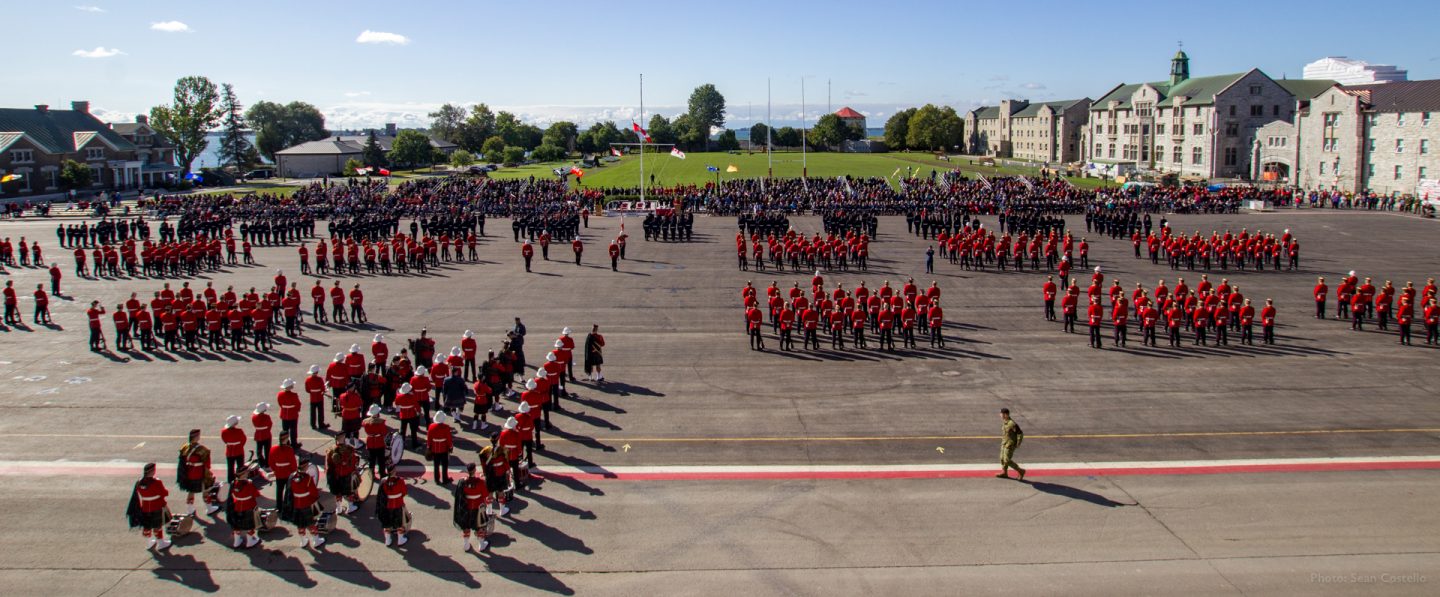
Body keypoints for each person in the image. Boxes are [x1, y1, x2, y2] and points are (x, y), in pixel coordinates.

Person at [126, 463, 171, 551]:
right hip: (156, 505)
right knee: (157, 525)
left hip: (145, 506)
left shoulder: (139, 482)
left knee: (147, 525)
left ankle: (150, 542)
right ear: (152, 471)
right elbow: (164, 493)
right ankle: (161, 542)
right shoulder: (157, 482)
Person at [282, 460, 324, 549]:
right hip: (306, 503)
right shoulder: (307, 477)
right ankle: (316, 540)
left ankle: (303, 540)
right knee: (311, 523)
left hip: (296, 503)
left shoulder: (292, 476)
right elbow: (313, 492)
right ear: (305, 467)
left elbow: (289, 491)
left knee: (300, 524)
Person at [176, 429, 219, 516]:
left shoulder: (185, 447)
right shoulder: (202, 449)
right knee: (205, 491)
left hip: (189, 473)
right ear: (196, 437)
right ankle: (209, 508)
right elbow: (207, 464)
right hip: (200, 473)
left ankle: (190, 509)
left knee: (191, 491)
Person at [452, 463, 492, 552]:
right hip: (478, 507)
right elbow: (485, 495)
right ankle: (481, 545)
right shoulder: (480, 482)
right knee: (480, 526)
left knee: (466, 526)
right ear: (474, 470)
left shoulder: (462, 482)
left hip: (466, 508)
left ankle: (466, 545)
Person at [225, 469, 262, 549]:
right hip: (248, 506)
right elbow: (256, 494)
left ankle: (236, 542)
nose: (247, 473)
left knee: (237, 525)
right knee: (250, 526)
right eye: (246, 473)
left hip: (237, 506)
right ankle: (250, 542)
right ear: (242, 475)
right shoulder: (248, 484)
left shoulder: (234, 483)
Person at [325, 440, 361, 516]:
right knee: (348, 492)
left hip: (335, 475)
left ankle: (339, 508)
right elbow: (353, 463)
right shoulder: (349, 450)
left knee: (337, 492)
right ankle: (350, 507)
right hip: (346, 474)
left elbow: (328, 464)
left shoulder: (331, 450)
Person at [378, 474, 409, 546]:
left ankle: (388, 540)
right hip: (398, 504)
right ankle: (400, 540)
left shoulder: (383, 481)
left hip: (387, 505)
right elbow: (404, 492)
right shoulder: (400, 480)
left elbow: (381, 494)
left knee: (387, 523)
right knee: (399, 522)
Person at [996, 408, 1026, 480]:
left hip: (1010, 444)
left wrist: (1018, 443)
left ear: (1006, 414)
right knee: (1002, 459)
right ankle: (1004, 473)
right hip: (1004, 443)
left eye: (1001, 414)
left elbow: (1020, 433)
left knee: (1007, 460)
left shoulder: (1012, 423)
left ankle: (1021, 471)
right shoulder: (1005, 422)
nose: (1000, 415)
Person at [363, 405, 391, 478]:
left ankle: (371, 475)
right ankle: (382, 474)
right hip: (379, 442)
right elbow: (384, 432)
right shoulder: (381, 422)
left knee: (371, 460)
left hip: (370, 442)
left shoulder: (365, 422)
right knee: (381, 460)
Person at [220, 415, 247, 484]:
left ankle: (230, 481)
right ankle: (240, 480)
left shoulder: (223, 431)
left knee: (230, 468)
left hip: (229, 452)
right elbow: (243, 440)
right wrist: (239, 446)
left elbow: (225, 440)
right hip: (239, 451)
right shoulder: (239, 431)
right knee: (240, 467)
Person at [428, 412, 454, 484]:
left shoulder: (431, 426)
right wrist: (451, 447)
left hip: (435, 449)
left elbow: (429, 438)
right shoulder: (446, 427)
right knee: (444, 465)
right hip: (444, 449)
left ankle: (437, 479)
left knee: (436, 465)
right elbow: (449, 439)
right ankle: (445, 479)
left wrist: (429, 447)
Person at [251, 402, 272, 470]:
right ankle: (267, 464)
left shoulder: (254, 417)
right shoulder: (267, 417)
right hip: (266, 434)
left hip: (258, 435)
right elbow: (269, 425)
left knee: (259, 450)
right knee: (267, 450)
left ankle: (261, 462)